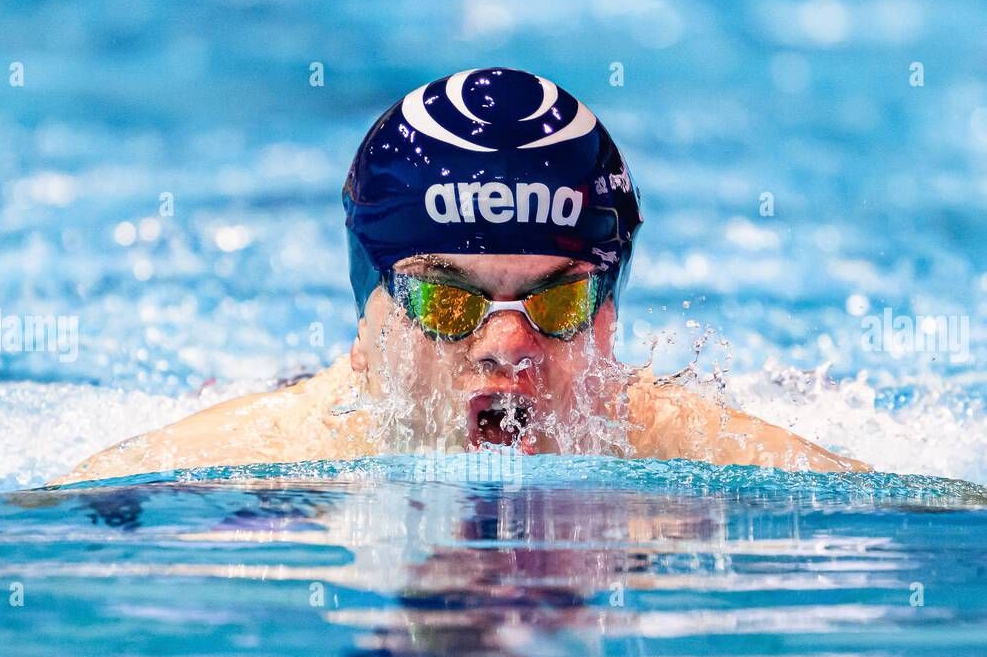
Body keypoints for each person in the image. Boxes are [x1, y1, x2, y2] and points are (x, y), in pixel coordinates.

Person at [59, 67, 868, 483]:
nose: (506, 347)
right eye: (447, 303)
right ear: (367, 321)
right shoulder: (259, 464)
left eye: (558, 301)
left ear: (609, 325)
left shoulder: (693, 455)